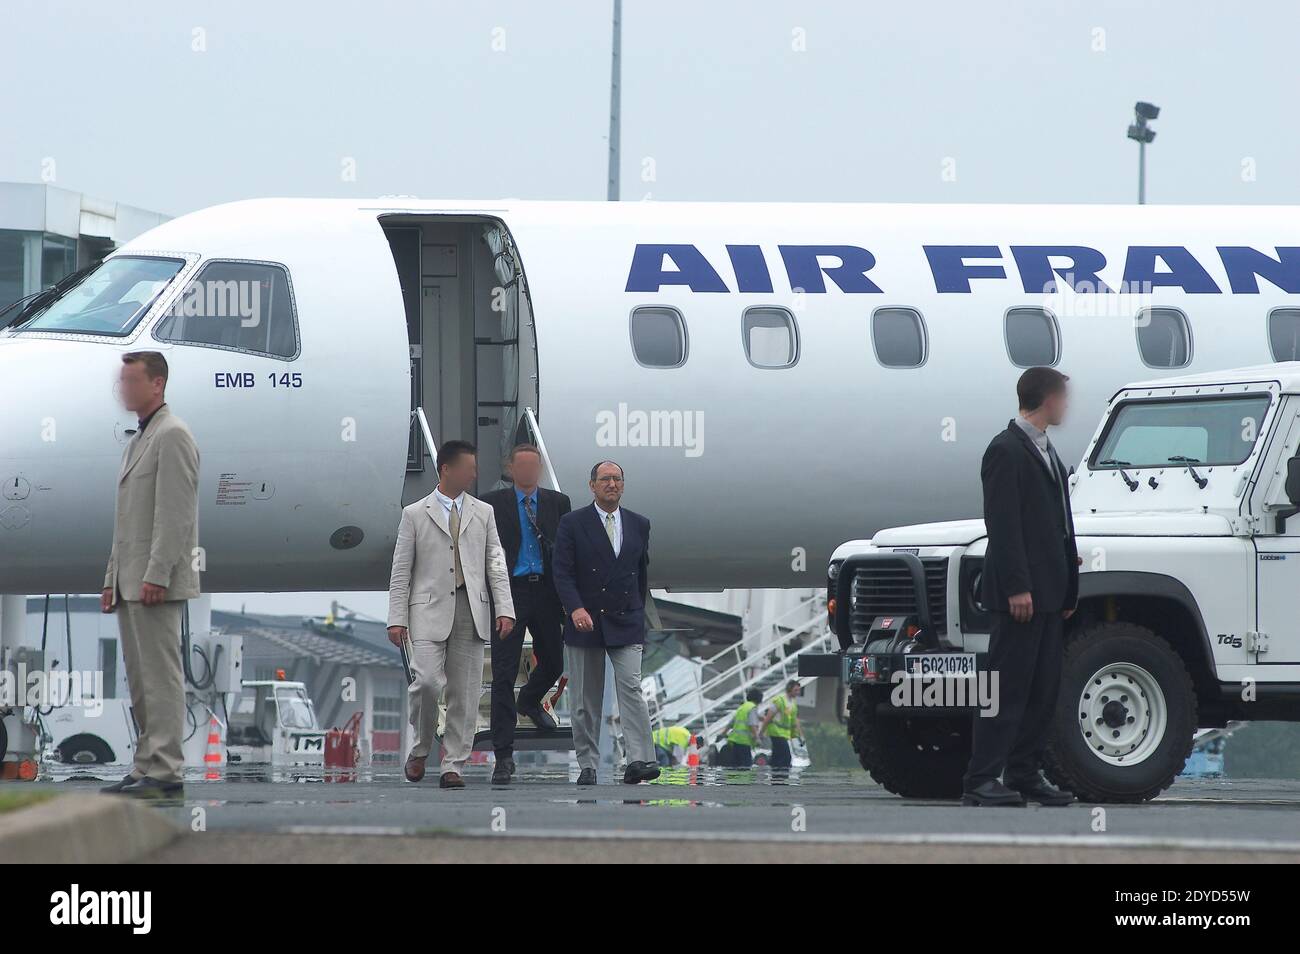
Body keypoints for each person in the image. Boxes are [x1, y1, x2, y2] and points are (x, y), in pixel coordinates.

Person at [962, 367, 1078, 807]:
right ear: (1048, 399)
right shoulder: (1005, 450)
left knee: (1042, 690)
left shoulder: (1048, 451)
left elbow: (1055, 526)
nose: (1067, 405)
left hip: (1049, 594)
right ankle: (981, 778)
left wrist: (1066, 579)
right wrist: (1017, 587)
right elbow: (1003, 524)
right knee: (1005, 688)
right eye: (1064, 398)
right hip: (1022, 597)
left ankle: (1024, 773)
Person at [99, 351, 200, 801]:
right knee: (140, 679)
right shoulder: (139, 439)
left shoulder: (173, 435)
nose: (123, 388)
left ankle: (166, 770)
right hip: (131, 580)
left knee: (161, 677)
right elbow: (128, 521)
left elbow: (175, 516)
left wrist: (157, 573)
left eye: (131, 381)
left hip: (154, 581)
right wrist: (111, 576)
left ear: (157, 384)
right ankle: (146, 765)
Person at [387, 440, 515, 790]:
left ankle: (453, 764)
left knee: (466, 692)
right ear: (447, 469)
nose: (474, 474)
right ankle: (421, 747)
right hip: (427, 609)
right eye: (468, 468)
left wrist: (505, 608)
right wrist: (396, 616)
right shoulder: (415, 513)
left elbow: (495, 563)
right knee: (426, 682)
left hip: (471, 608)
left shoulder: (483, 512)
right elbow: (401, 570)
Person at [552, 460, 659, 786]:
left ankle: (640, 759)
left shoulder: (640, 524)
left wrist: (637, 611)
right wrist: (575, 609)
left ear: (623, 485)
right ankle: (588, 763)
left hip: (626, 620)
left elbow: (640, 574)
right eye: (605, 479)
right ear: (592, 485)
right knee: (586, 698)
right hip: (586, 620)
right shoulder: (572, 523)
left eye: (616, 479)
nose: (611, 484)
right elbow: (562, 572)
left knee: (631, 689)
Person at [480, 444, 572, 785]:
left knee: (554, 662)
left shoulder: (557, 503)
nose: (530, 472)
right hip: (510, 591)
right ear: (512, 469)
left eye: (535, 466)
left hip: (546, 591)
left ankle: (530, 700)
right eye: (524, 466)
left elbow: (565, 551)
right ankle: (504, 756)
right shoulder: (492, 504)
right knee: (502, 674)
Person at [759, 680, 803, 769]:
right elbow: (768, 718)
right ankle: (781, 777)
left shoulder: (793, 703)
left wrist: (798, 736)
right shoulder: (779, 700)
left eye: (799, 690)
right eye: (796, 690)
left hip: (784, 734)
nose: (798, 693)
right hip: (776, 732)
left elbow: (794, 721)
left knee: (777, 757)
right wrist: (761, 732)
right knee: (786, 757)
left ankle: (775, 778)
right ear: (789, 689)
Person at [719, 688, 763, 768]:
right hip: (744, 743)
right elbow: (752, 724)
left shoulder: (742, 707)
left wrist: (723, 733)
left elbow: (731, 723)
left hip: (734, 741)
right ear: (759, 699)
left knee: (736, 768)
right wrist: (757, 738)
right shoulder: (753, 708)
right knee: (745, 768)